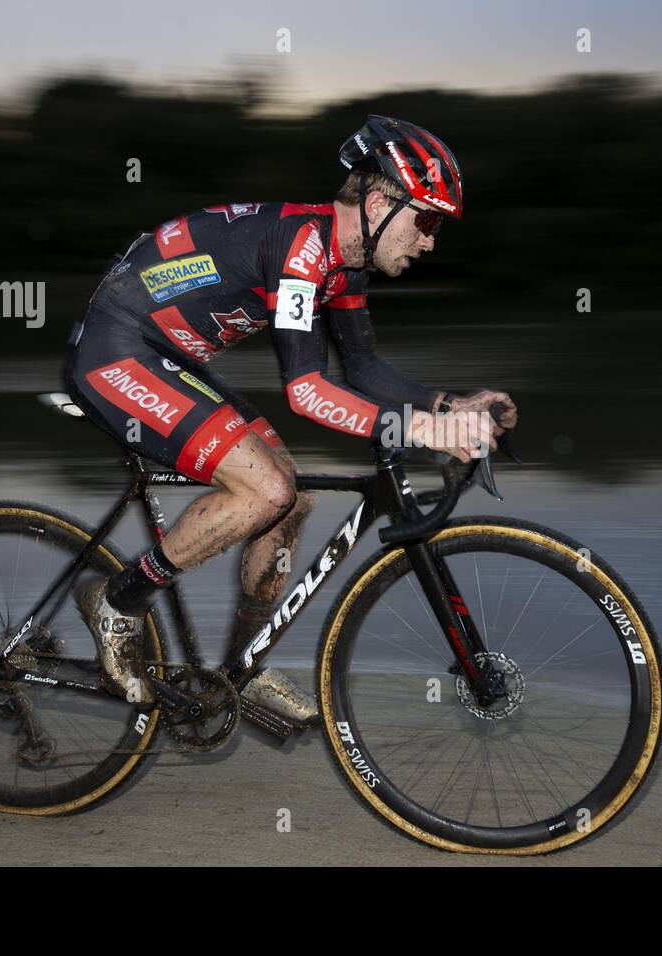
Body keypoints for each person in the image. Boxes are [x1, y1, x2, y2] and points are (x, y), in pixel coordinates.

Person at [62, 115, 517, 723]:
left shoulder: (342, 262)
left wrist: (445, 406)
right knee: (266, 488)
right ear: (380, 201)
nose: (430, 240)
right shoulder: (303, 245)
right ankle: (118, 602)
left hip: (166, 356)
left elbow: (360, 366)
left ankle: (241, 666)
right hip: (116, 351)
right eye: (428, 219)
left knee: (292, 499)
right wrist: (420, 432)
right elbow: (306, 391)